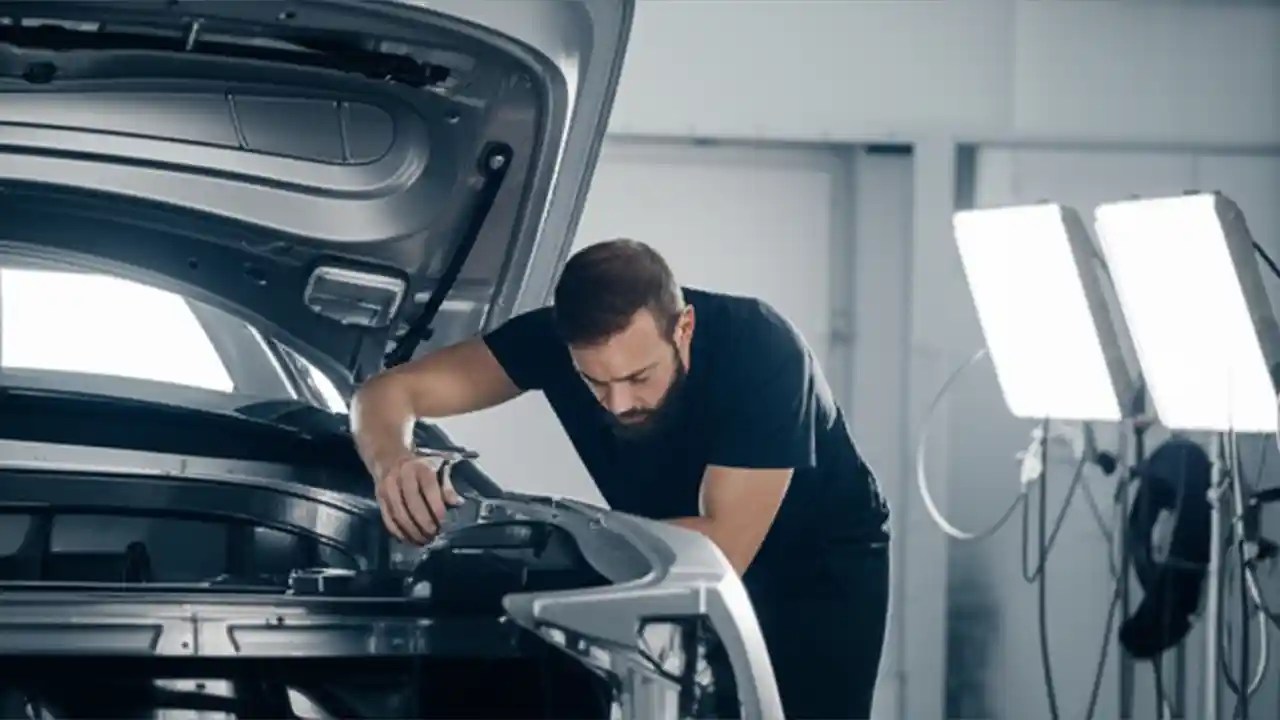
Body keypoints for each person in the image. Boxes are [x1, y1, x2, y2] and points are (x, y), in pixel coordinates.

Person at [351, 238, 892, 719]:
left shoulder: (763, 349)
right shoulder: (551, 341)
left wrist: (537, 540)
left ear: (684, 328)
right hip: (665, 545)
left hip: (814, 568)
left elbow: (723, 549)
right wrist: (393, 459)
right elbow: (385, 393)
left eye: (639, 377)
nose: (619, 403)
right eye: (595, 381)